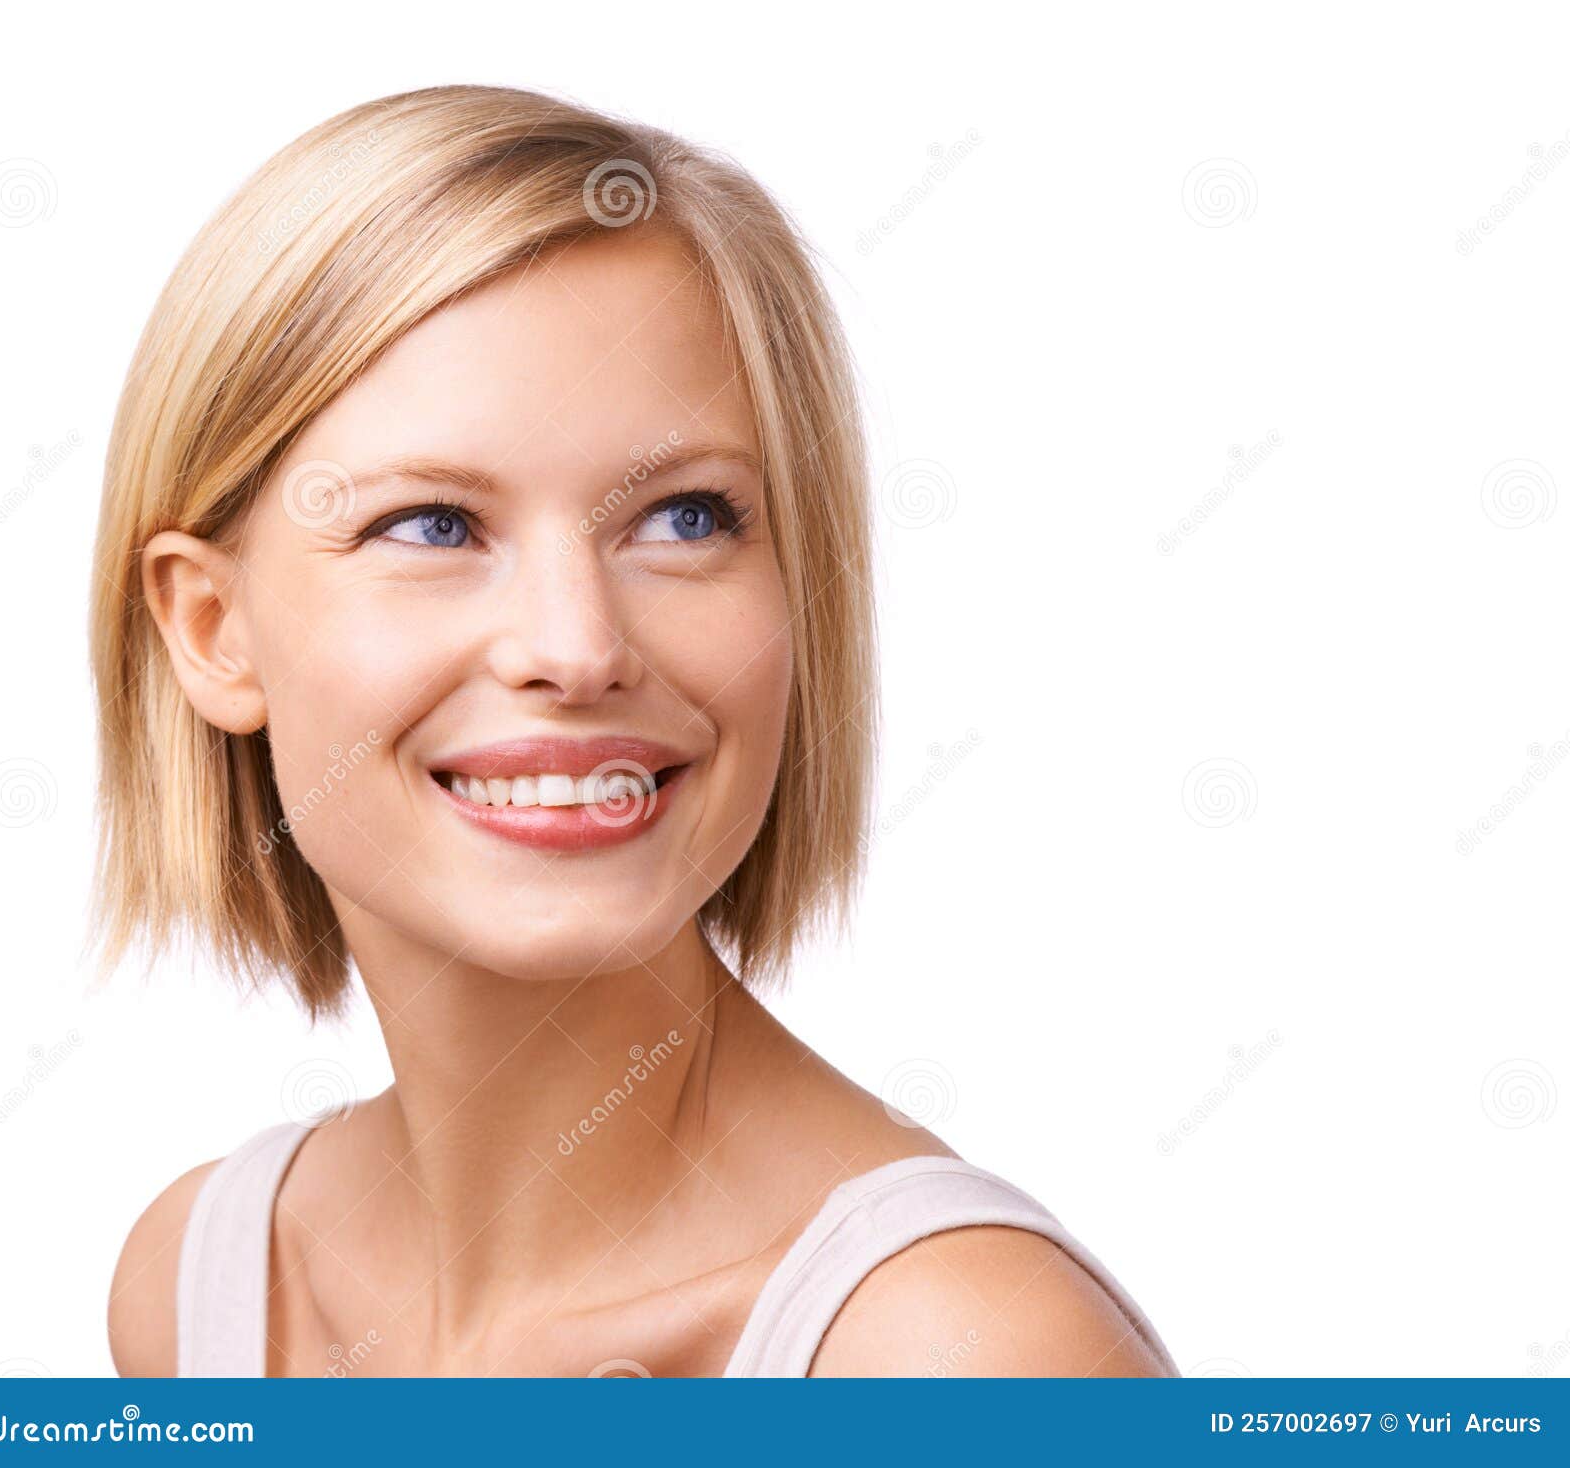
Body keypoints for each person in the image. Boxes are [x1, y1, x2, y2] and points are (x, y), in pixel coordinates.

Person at [93, 85, 1178, 1378]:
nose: (577, 646)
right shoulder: (205, 1284)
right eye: (433, 525)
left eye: (684, 519)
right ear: (212, 628)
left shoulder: (958, 1358)